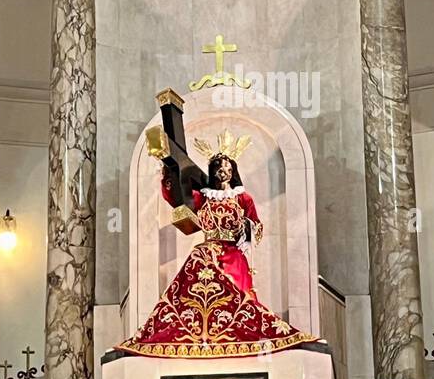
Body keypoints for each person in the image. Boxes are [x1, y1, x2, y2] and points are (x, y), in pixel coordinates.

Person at [118, 152, 315, 357]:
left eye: (229, 170)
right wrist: (169, 171)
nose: (225, 173)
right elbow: (177, 198)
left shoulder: (243, 197)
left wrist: (245, 228)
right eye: (220, 169)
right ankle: (201, 333)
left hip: (234, 254)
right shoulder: (203, 197)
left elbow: (257, 225)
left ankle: (241, 335)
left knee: (239, 297)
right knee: (197, 279)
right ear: (213, 172)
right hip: (209, 250)